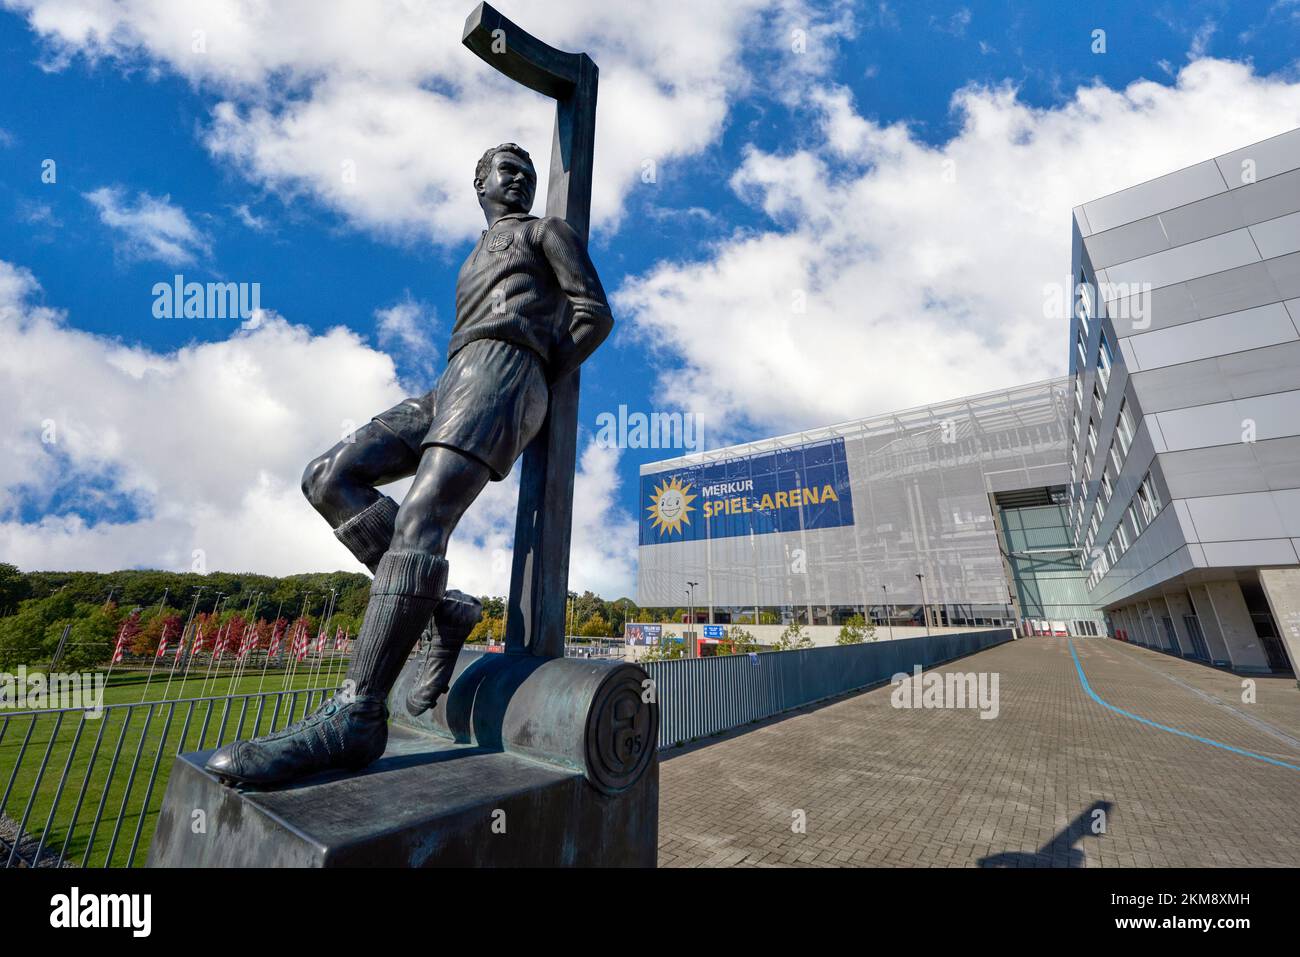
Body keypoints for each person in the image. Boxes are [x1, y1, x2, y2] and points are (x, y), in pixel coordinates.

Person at [205, 143, 613, 787]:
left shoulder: (546, 232)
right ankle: (442, 608)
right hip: (451, 381)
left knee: (423, 518)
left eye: (530, 172)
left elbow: (592, 314)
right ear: (478, 182)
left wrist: (531, 377)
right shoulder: (479, 251)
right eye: (508, 169)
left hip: (503, 372)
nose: (522, 179)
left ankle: (358, 713)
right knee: (327, 475)